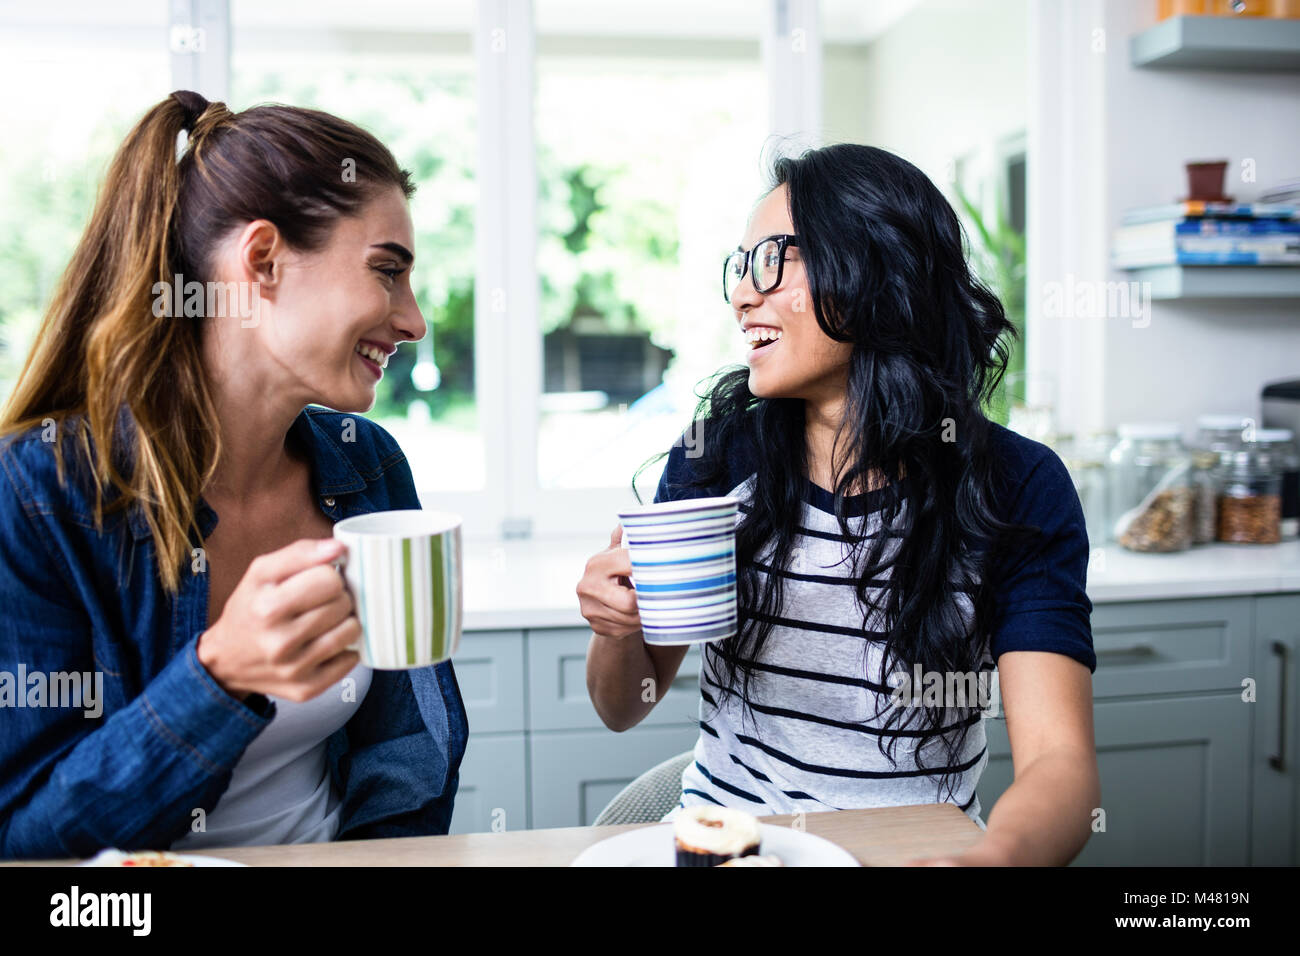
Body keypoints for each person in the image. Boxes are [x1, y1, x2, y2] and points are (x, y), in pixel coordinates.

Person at [578, 143, 1099, 866]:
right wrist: (616, 627)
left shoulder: (1017, 485)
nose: (741, 295)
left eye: (772, 260)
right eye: (740, 266)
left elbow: (1060, 763)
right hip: (734, 849)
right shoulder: (717, 453)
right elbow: (622, 704)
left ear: (873, 269)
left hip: (915, 852)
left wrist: (993, 859)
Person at [0, 90, 467, 860]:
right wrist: (217, 679)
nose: (413, 319)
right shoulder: (40, 494)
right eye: (388, 271)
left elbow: (407, 756)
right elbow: (26, 844)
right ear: (263, 260)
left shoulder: (368, 462)